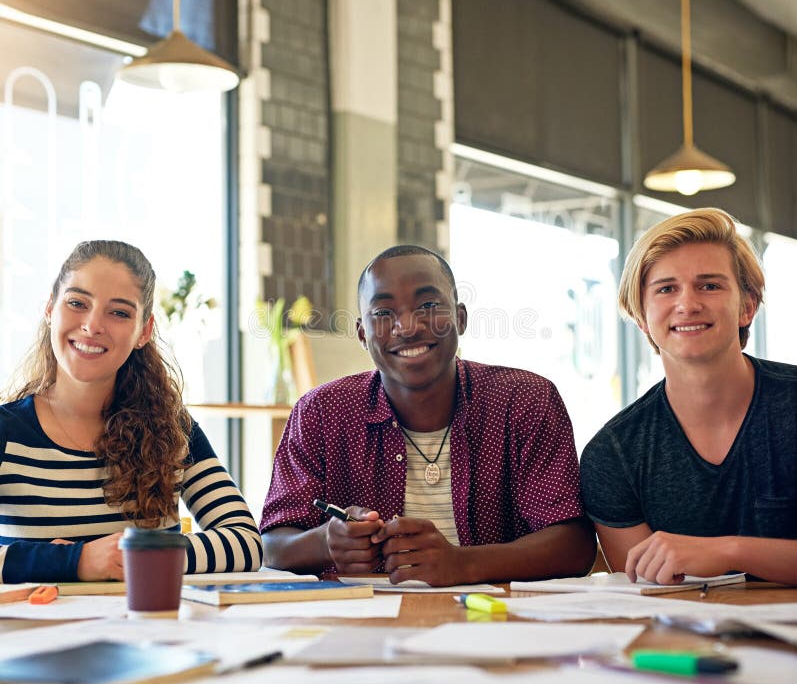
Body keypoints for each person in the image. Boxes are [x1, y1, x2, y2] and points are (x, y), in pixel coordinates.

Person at [261, 244, 595, 586]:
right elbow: (272, 545)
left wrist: (463, 564)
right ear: (363, 334)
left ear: (460, 318)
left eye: (428, 305)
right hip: (363, 625)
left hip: (494, 622)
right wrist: (325, 542)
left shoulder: (523, 400)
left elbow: (574, 545)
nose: (407, 326)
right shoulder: (321, 412)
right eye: (383, 312)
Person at [0, 240, 262, 584]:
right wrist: (78, 560)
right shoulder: (7, 431)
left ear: (144, 331)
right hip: (37, 634)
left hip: (153, 630)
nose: (92, 325)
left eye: (120, 312)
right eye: (77, 302)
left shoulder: (173, 428)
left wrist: (135, 557)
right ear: (50, 309)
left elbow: (246, 543)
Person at [581, 208, 797, 586]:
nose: (687, 304)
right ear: (642, 318)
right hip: (684, 641)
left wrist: (730, 550)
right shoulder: (613, 454)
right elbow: (648, 590)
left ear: (747, 306)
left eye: (710, 285)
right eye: (666, 289)